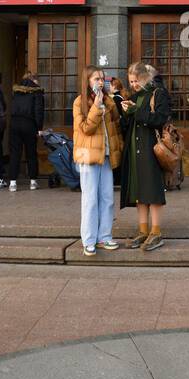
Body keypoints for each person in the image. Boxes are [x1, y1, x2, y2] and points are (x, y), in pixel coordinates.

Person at [119, 61, 171, 251]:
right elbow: (129, 126)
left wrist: (136, 111)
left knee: (153, 191)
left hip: (151, 149)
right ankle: (143, 230)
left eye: (135, 81)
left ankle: (156, 232)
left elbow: (160, 119)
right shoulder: (135, 96)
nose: (133, 85)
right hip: (135, 149)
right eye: (131, 81)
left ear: (145, 78)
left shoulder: (159, 93)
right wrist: (125, 113)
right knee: (139, 192)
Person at [72, 67, 124, 256]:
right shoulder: (80, 102)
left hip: (107, 156)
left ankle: (104, 236)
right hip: (88, 157)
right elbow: (85, 128)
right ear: (87, 81)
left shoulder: (109, 101)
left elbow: (116, 128)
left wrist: (119, 150)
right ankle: (89, 240)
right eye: (96, 78)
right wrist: (96, 108)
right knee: (90, 199)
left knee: (107, 199)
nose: (100, 82)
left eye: (102, 79)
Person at [8, 70, 45, 192]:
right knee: (31, 153)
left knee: (14, 153)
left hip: (14, 123)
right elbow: (38, 111)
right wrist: (39, 128)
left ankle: (12, 183)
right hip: (29, 124)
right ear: (34, 80)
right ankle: (33, 182)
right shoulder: (37, 91)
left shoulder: (16, 91)